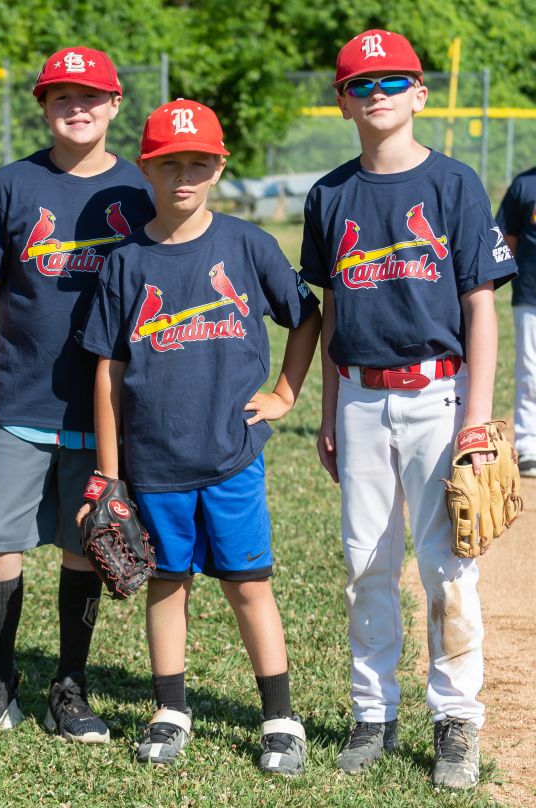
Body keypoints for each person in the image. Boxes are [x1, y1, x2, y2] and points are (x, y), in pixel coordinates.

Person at [301, 29, 516, 790]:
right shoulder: (329, 195)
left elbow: (480, 306)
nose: (379, 93)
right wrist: (328, 411)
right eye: (362, 83)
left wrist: (478, 419)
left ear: (421, 94)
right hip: (359, 395)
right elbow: (329, 312)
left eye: (395, 81)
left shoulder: (454, 185)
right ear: (342, 102)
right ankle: (373, 713)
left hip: (439, 395)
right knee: (367, 563)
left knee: (448, 567)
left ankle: (455, 721)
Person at [79, 99, 320, 773]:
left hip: (230, 455)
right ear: (147, 169)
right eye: (168, 164)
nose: (183, 175)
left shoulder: (246, 245)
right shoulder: (126, 263)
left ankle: (279, 718)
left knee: (248, 585)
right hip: (152, 462)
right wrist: (108, 470)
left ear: (219, 166)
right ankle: (170, 708)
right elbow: (108, 370)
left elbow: (305, 317)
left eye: (197, 162)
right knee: (167, 584)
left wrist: (285, 392)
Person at [0, 47, 155, 742]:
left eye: (91, 96)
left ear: (116, 104)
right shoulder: (13, 184)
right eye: (61, 96)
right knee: (1, 541)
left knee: (85, 543)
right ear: (43, 107)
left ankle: (71, 687)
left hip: (104, 410)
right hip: (21, 401)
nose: (77, 107)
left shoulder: (140, 192)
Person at [496, 168, 536, 474]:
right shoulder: (524, 185)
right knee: (530, 370)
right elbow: (506, 240)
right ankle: (528, 446)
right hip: (531, 293)